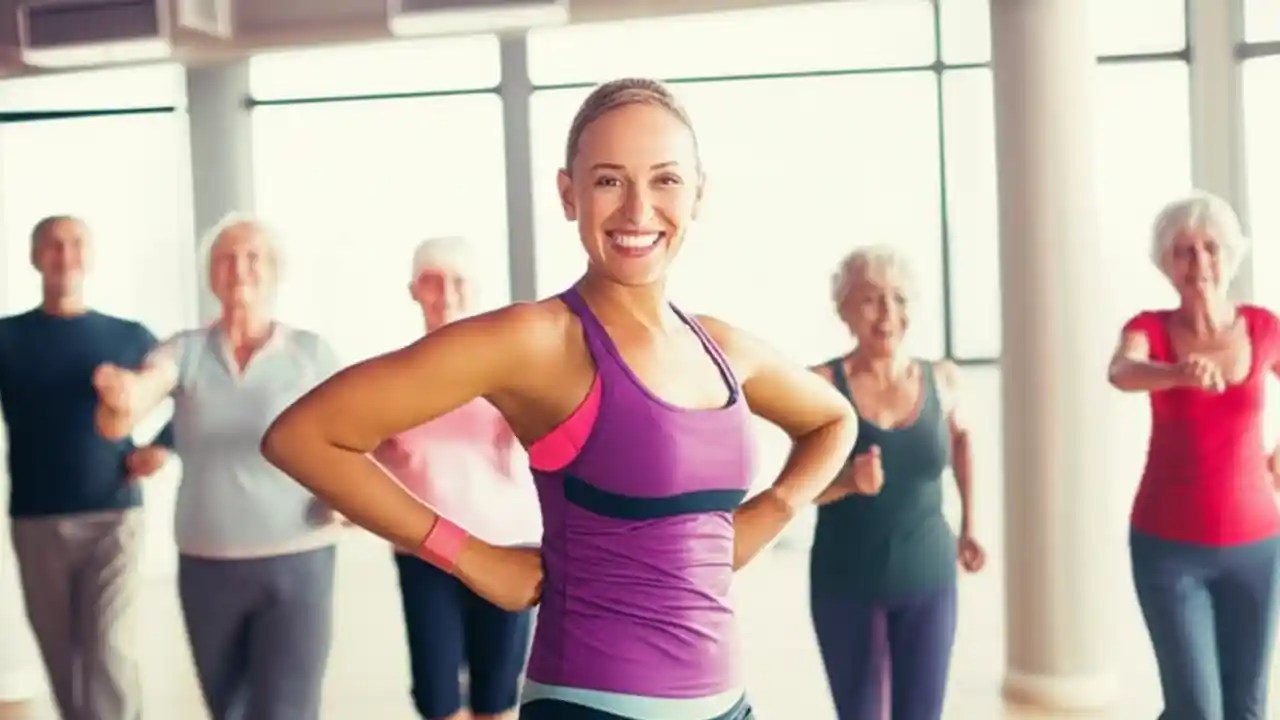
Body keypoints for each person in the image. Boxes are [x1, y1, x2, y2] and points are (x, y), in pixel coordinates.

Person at [260, 77, 858, 720]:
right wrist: (470, 556)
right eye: (608, 181)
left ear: (698, 193)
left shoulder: (721, 346)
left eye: (665, 180)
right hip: (592, 705)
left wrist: (771, 511)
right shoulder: (536, 340)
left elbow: (832, 419)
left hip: (729, 705)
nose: (637, 210)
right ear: (568, 194)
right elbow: (304, 436)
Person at [93, 215, 344, 720]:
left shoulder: (310, 353)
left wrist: (348, 496)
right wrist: (122, 395)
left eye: (253, 257)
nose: (239, 268)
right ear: (211, 275)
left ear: (275, 272)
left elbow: (352, 435)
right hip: (208, 557)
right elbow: (141, 394)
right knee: (228, 708)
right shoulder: (183, 350)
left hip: (297, 554)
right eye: (226, 258)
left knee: (287, 709)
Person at [1108, 191, 1280, 719]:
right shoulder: (1150, 329)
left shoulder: (1263, 327)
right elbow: (1120, 371)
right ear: (1166, 263)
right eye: (1183, 251)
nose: (1199, 263)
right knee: (1196, 711)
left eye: (1210, 248)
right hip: (1169, 550)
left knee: (1246, 708)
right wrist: (1177, 373)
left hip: (1258, 550)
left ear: (1229, 255)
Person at [0, 215, 169, 720]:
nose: (65, 255)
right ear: (35, 257)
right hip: (36, 519)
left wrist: (163, 444)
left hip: (114, 516)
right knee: (63, 659)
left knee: (109, 652)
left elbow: (193, 390)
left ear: (90, 258)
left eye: (76, 244)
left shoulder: (129, 336)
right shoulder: (7, 338)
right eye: (53, 245)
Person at [808, 245, 985, 720]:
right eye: (870, 299)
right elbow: (797, 489)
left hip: (929, 577)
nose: (887, 314)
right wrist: (847, 480)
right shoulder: (820, 386)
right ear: (844, 309)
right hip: (845, 584)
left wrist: (971, 525)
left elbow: (963, 442)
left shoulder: (942, 378)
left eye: (899, 299)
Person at [373, 236, 541, 720]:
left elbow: (549, 437)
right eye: (432, 281)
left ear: (478, 291)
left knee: (497, 697)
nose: (445, 294)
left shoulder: (508, 371)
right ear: (412, 290)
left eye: (458, 282)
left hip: (505, 546)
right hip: (424, 551)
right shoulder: (389, 375)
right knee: (437, 697)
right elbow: (358, 449)